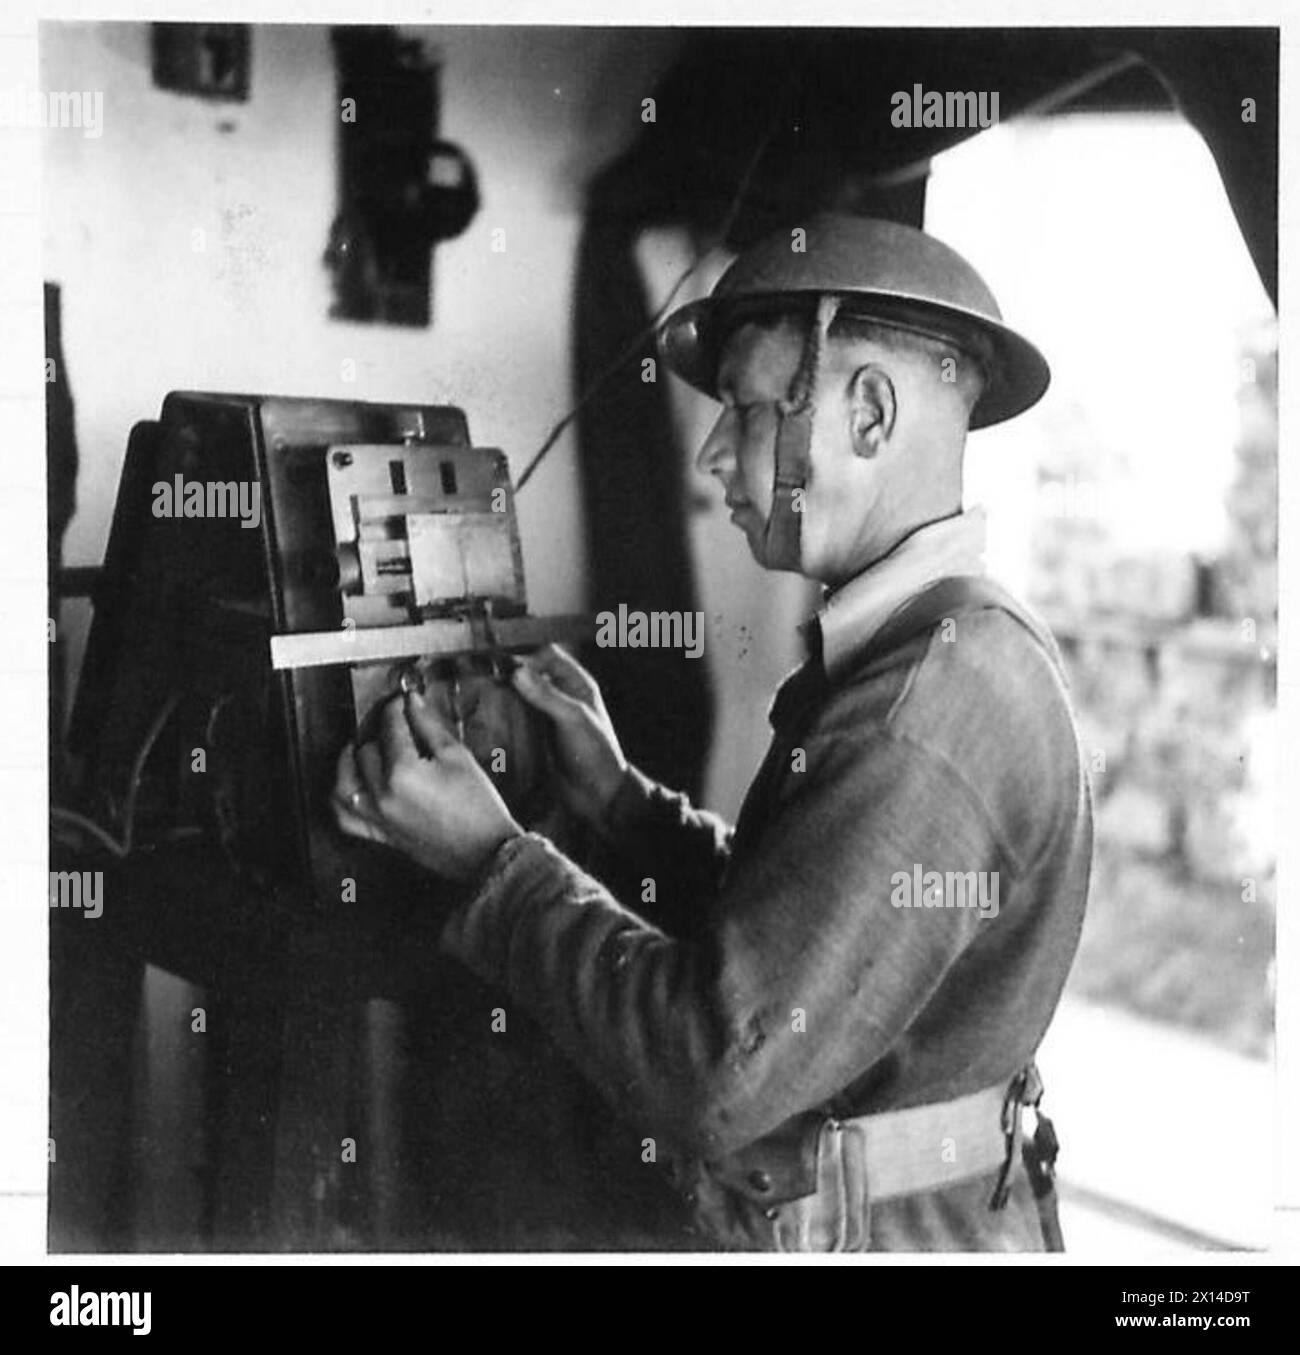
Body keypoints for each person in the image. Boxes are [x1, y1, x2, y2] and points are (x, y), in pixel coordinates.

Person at [332, 214, 1093, 1251]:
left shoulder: (930, 699)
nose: (711, 455)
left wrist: (491, 858)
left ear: (868, 414)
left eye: (741, 407)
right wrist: (616, 799)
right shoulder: (940, 643)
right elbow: (805, 942)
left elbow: (716, 1062)